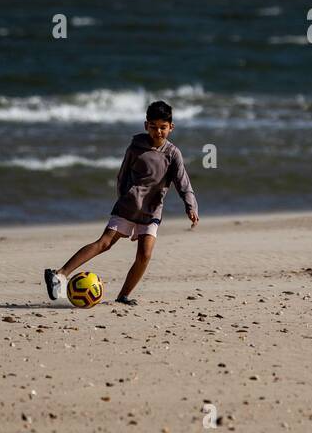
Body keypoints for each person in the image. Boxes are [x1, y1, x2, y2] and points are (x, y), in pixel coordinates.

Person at [44, 100, 199, 306]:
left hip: (152, 211)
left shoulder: (173, 154)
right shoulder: (136, 148)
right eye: (153, 127)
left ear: (171, 127)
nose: (158, 132)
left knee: (145, 254)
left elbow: (183, 182)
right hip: (128, 207)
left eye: (163, 127)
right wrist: (124, 198)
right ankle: (59, 274)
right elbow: (122, 176)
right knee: (104, 243)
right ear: (146, 126)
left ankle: (123, 295)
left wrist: (190, 206)